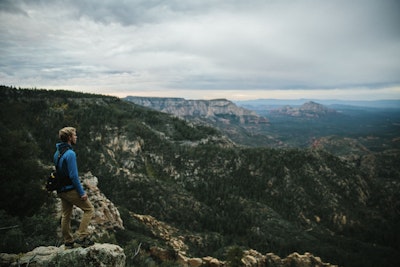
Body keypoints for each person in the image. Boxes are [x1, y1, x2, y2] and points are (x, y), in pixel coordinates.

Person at [54, 126, 94, 248]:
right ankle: (82, 236)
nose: (76, 137)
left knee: (66, 215)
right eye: (75, 135)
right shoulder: (70, 153)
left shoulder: (58, 152)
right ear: (70, 138)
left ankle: (68, 241)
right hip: (70, 189)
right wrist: (81, 192)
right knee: (89, 209)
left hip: (61, 189)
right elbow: (74, 176)